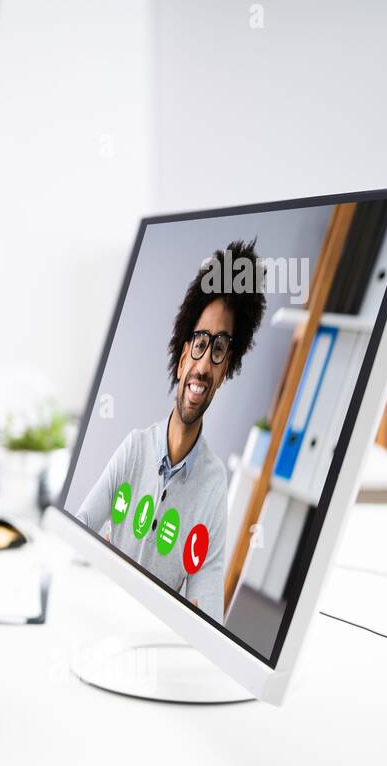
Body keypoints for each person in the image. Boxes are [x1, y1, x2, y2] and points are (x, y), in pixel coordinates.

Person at [75, 240, 267, 622]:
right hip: (100, 623)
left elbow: (207, 615)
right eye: (199, 344)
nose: (204, 364)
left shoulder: (213, 487)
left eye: (219, 349)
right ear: (182, 360)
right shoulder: (134, 449)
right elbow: (80, 534)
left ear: (225, 372)